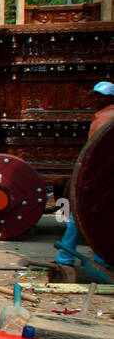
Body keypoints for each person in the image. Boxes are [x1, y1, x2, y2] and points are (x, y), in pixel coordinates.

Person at [57, 81, 114, 270]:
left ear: (109, 98)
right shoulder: (104, 116)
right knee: (96, 218)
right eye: (95, 95)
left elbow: (98, 153)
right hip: (100, 178)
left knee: (80, 217)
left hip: (98, 178)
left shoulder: (106, 117)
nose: (95, 100)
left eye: (100, 96)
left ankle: (66, 257)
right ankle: (100, 259)